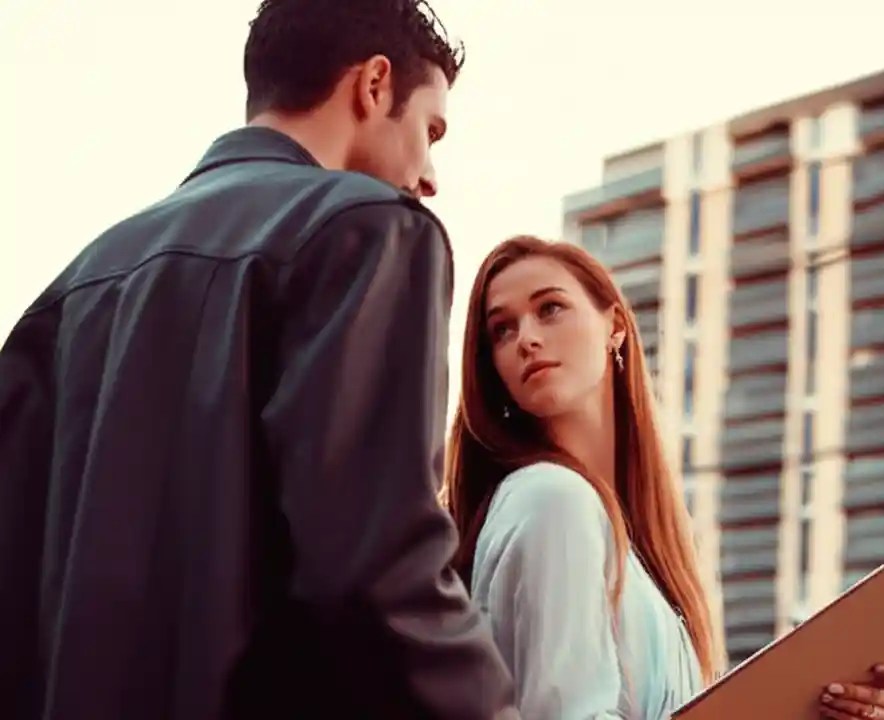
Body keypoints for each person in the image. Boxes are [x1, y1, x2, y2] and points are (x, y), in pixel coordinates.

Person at [0, 1, 515, 718]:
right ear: (373, 85)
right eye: (430, 130)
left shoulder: (64, 296)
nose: (429, 175)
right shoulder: (366, 232)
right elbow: (377, 566)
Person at [442, 235, 884, 720]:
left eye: (550, 308)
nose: (527, 339)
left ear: (615, 327)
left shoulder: (637, 542)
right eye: (501, 330)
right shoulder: (554, 497)